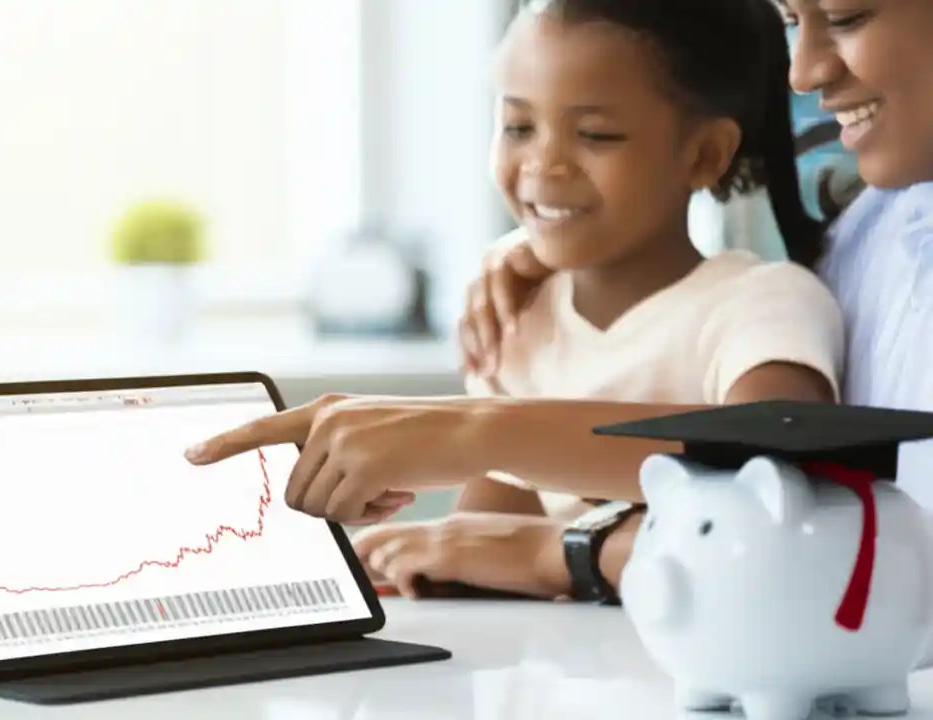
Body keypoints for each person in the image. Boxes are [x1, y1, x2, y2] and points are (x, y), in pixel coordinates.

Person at [185, 0, 933, 602]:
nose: (542, 163)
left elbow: (781, 460)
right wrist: (403, 552)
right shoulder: (523, 318)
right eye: (515, 125)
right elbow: (479, 540)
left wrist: (476, 436)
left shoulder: (765, 302)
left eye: (597, 133)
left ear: (704, 154)